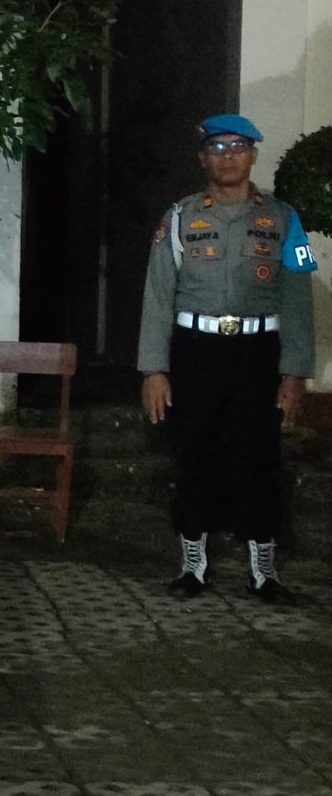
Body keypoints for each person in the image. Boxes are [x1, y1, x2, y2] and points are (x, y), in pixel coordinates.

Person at [138, 114, 319, 602]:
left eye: (238, 147)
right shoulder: (178, 218)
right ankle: (193, 567)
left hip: (257, 356)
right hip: (195, 353)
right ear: (203, 158)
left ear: (253, 155)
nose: (228, 156)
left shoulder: (284, 219)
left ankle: (264, 572)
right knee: (196, 455)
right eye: (217, 149)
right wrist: (154, 369)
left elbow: (298, 300)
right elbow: (158, 295)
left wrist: (295, 372)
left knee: (259, 459)